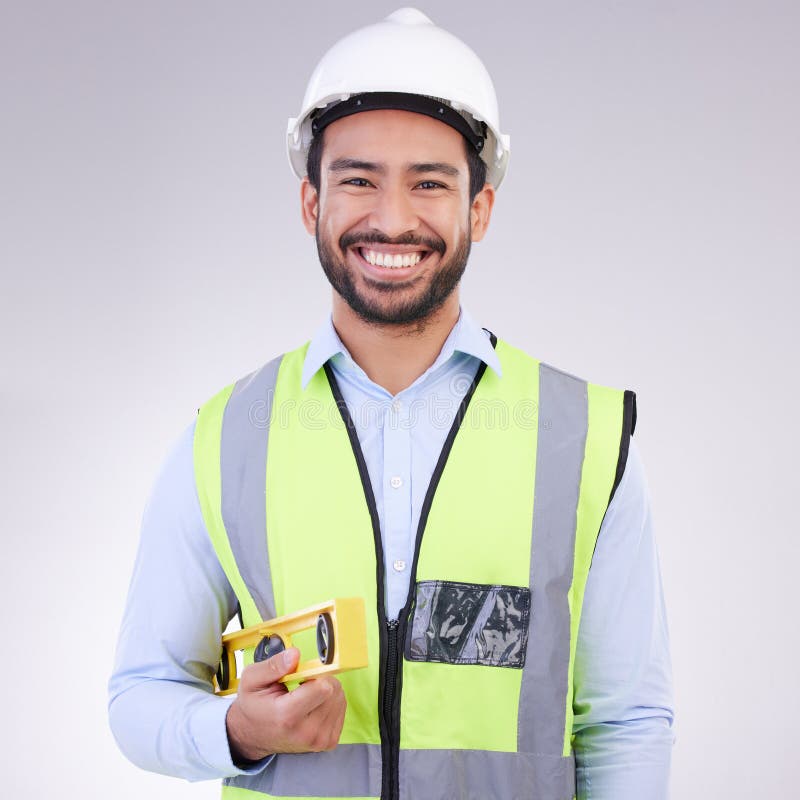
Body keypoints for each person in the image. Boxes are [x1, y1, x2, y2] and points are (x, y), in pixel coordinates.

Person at [109, 8, 674, 800]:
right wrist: (235, 732)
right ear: (312, 204)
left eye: (430, 183)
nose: (393, 218)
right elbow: (139, 693)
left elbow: (625, 722)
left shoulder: (586, 439)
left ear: (479, 208)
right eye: (359, 179)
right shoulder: (226, 438)